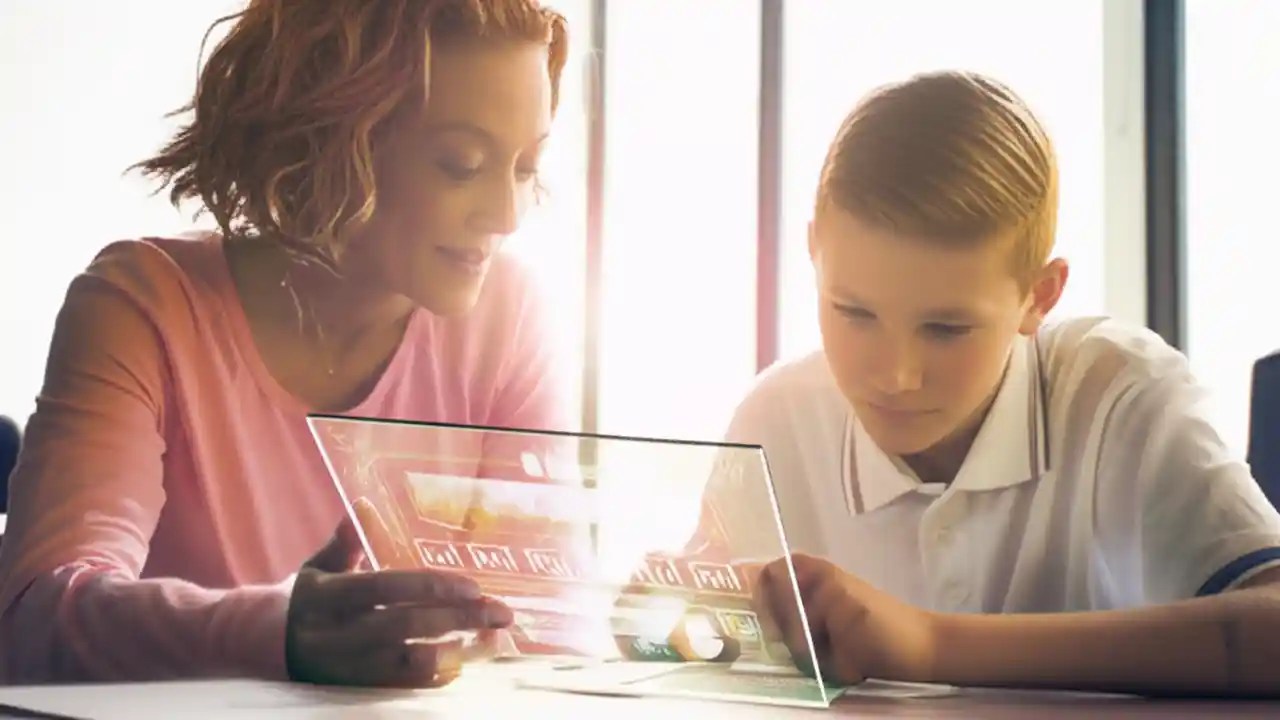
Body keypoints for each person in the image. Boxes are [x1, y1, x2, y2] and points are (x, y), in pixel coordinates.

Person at [0, 0, 575, 688]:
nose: (506, 216)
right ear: (329, 137)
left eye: (523, 167)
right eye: (461, 164)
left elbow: (550, 635)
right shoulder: (143, 305)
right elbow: (33, 620)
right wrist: (279, 632)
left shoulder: (508, 317)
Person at [726, 71, 1280, 697]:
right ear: (813, 255)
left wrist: (931, 643)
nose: (896, 375)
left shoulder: (1118, 394)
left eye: (946, 328)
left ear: (1039, 296)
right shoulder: (773, 421)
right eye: (853, 313)